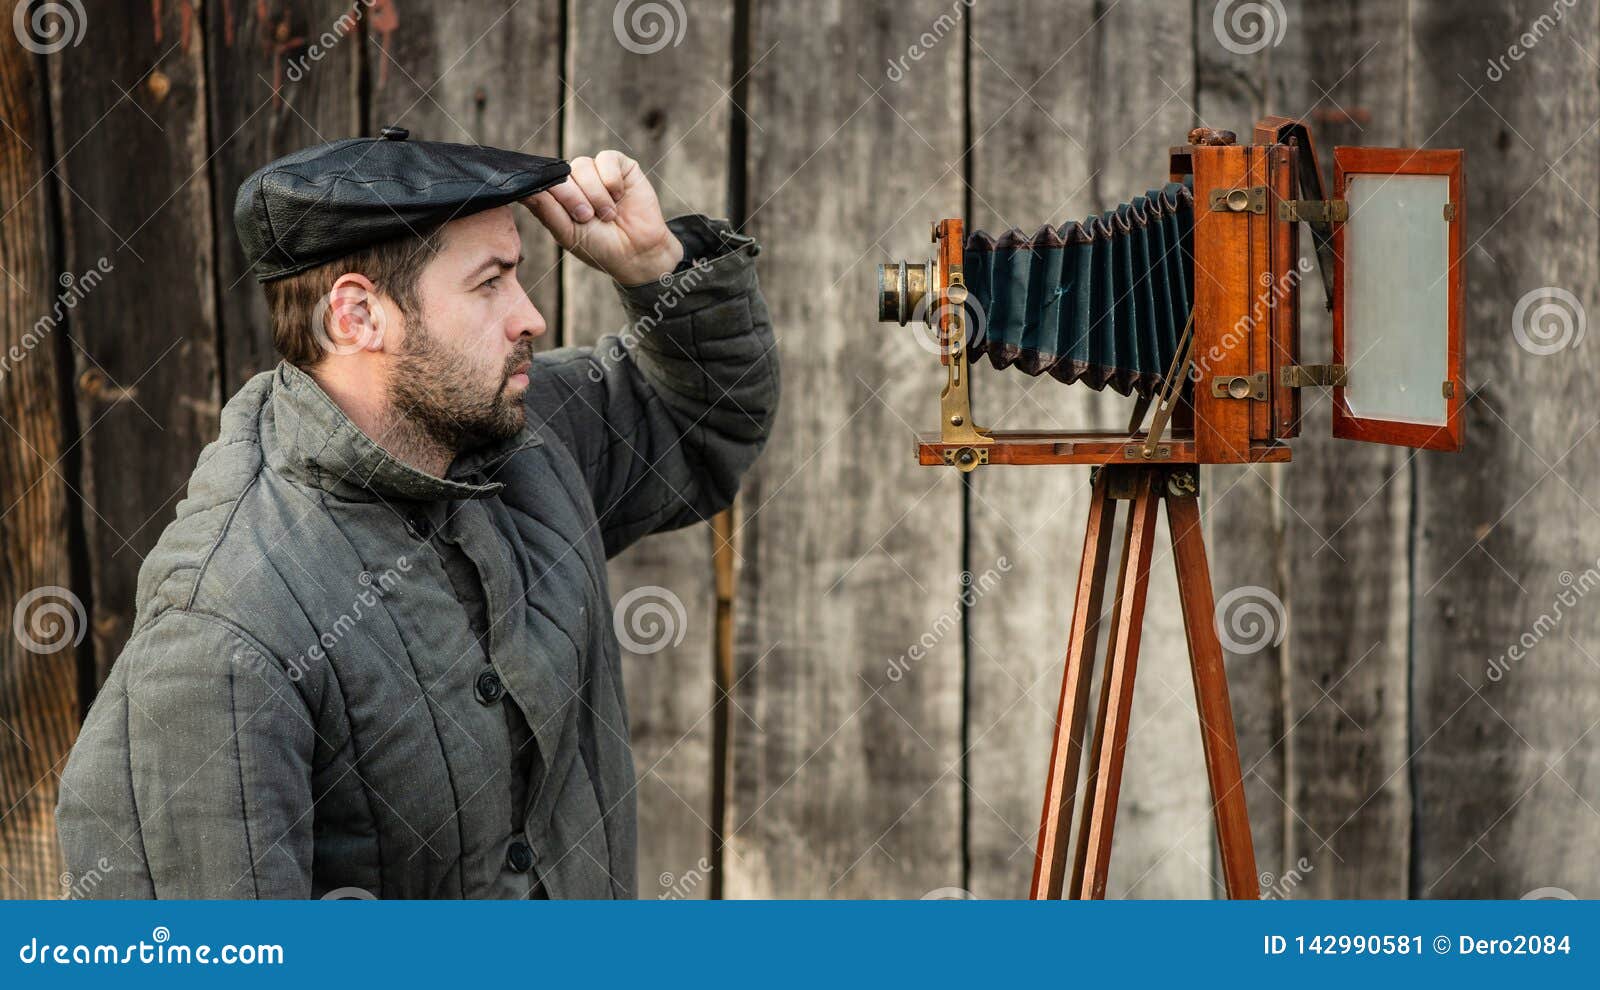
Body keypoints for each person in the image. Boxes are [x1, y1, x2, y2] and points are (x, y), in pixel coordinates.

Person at [54, 128, 779, 898]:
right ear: (358, 316)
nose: (530, 317)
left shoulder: (524, 443)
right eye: (490, 283)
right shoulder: (225, 624)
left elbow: (703, 422)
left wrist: (656, 269)